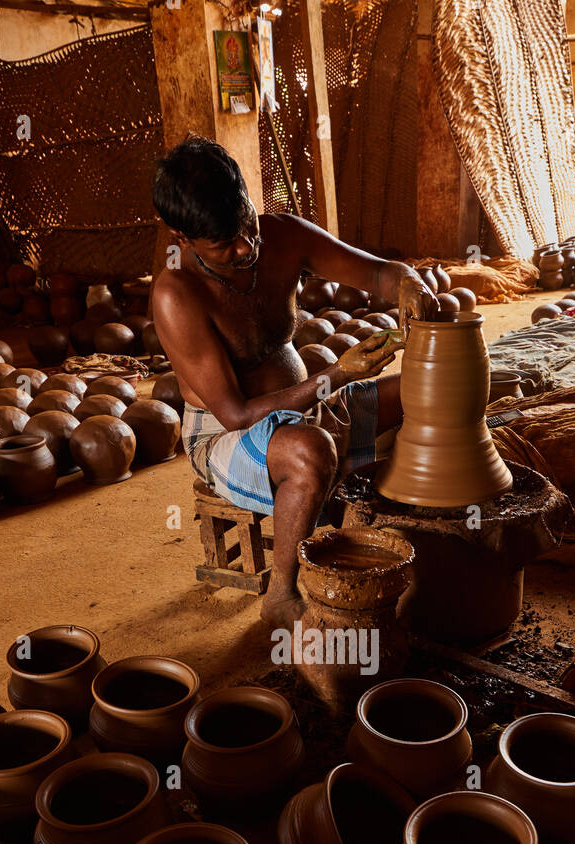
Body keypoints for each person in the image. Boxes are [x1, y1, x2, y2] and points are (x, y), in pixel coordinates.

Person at [151, 136, 439, 626]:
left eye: (246, 225)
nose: (245, 246)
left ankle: (414, 540)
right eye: (223, 245)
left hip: (308, 413)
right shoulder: (176, 294)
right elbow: (236, 413)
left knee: (426, 393)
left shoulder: (283, 236)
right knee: (310, 450)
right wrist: (337, 374)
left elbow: (377, 273)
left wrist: (408, 281)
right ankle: (282, 597)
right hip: (226, 436)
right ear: (181, 237)